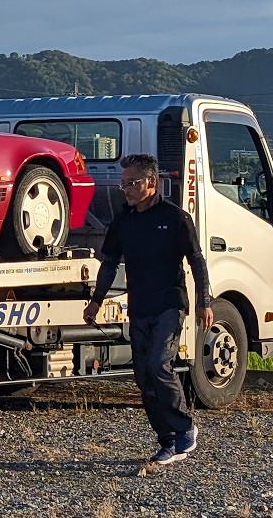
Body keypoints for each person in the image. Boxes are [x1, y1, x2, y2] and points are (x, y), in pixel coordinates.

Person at [82, 153, 214, 465]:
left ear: (151, 183)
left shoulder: (175, 218)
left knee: (158, 364)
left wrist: (204, 303)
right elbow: (109, 264)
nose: (125, 188)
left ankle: (184, 428)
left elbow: (197, 261)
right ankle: (167, 440)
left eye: (132, 182)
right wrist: (97, 300)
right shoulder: (123, 223)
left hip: (170, 304)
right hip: (139, 306)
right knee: (143, 378)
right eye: (123, 183)